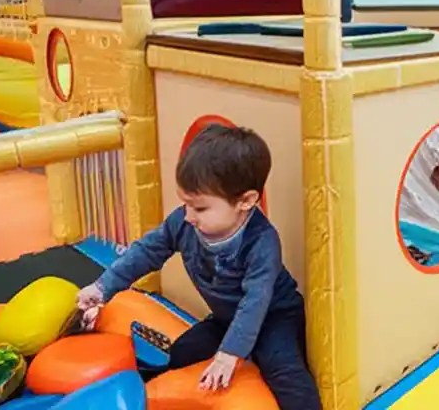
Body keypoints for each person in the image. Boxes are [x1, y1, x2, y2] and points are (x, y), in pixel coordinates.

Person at [76, 124, 320, 410]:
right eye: (185, 204)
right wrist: (103, 287)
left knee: (287, 375)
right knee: (182, 352)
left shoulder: (262, 242)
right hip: (226, 317)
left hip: (273, 317)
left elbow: (255, 302)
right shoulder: (184, 222)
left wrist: (230, 354)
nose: (189, 216)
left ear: (246, 201)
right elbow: (146, 251)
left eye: (200, 208)